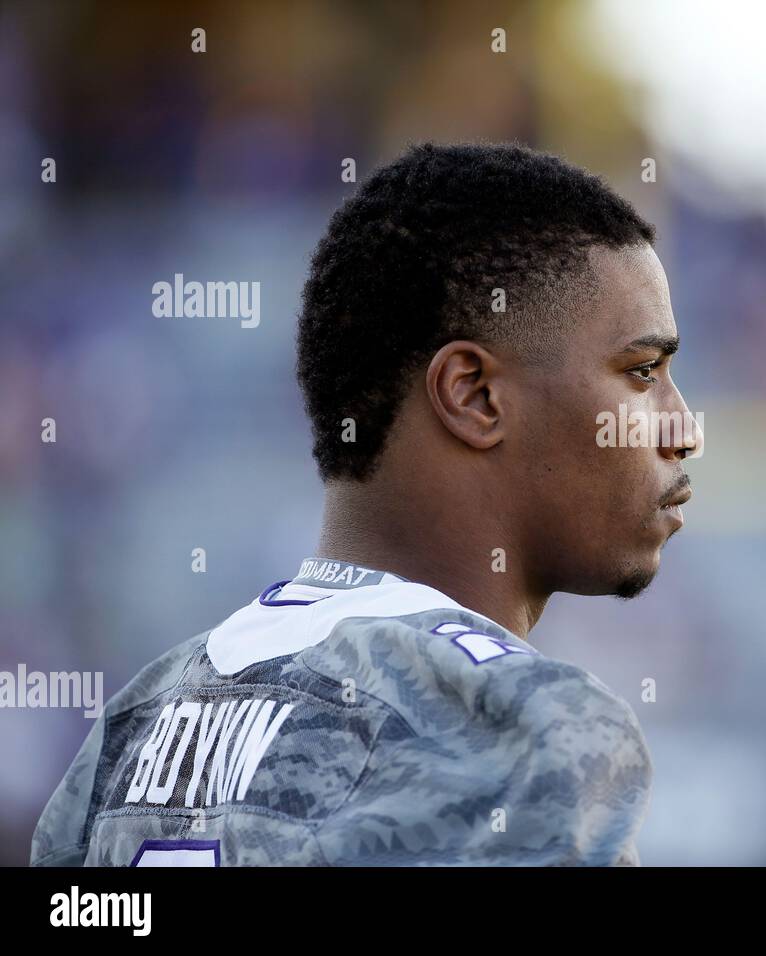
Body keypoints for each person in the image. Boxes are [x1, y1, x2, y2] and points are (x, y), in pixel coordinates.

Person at [31, 142, 700, 866]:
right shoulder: (522, 719)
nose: (684, 427)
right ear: (474, 395)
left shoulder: (130, 724)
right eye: (641, 372)